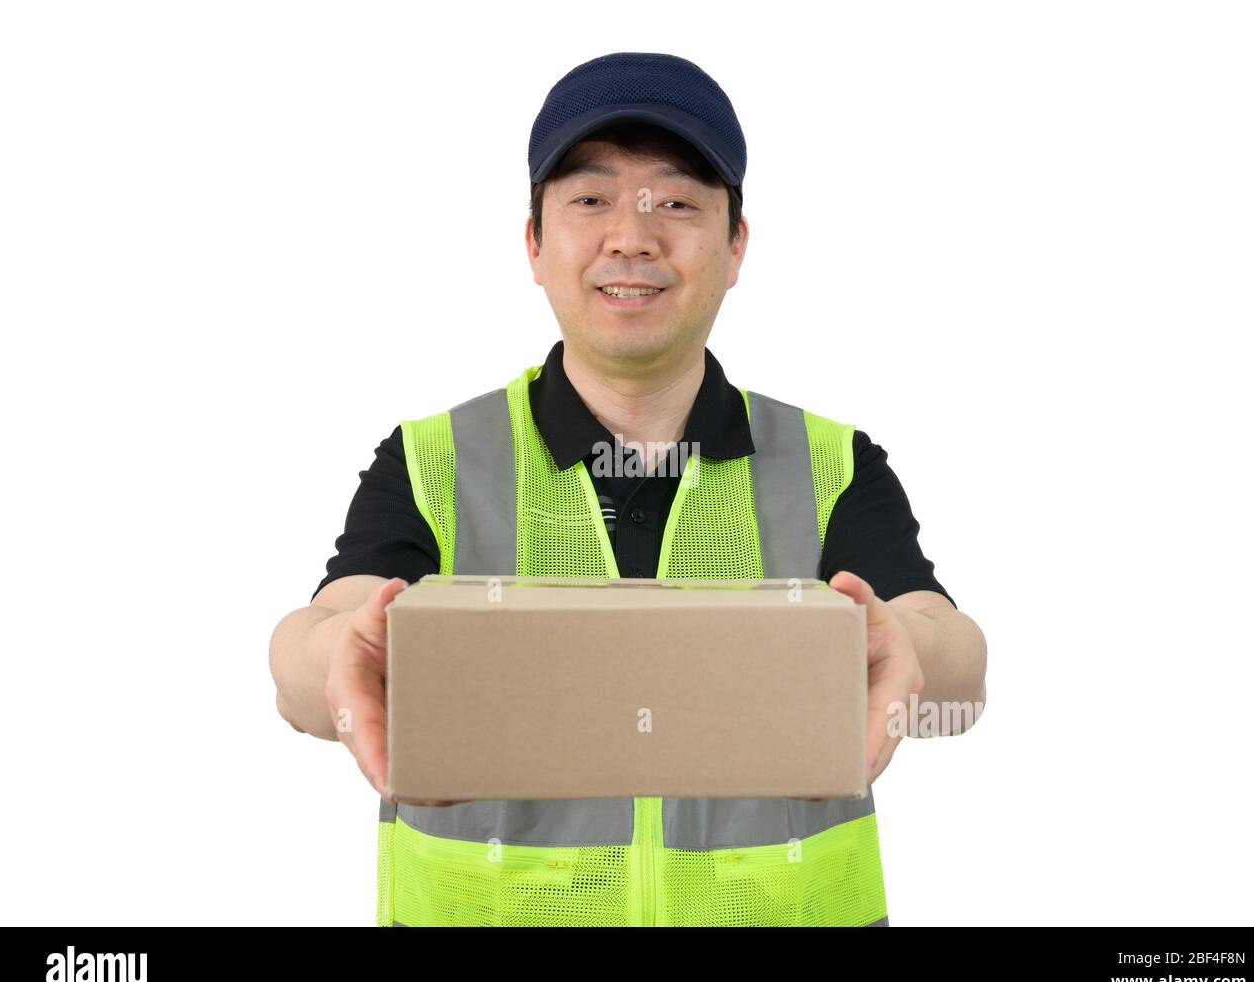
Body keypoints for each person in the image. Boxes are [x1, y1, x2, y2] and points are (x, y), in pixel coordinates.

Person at [269, 51, 987, 926]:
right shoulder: (436, 460)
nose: (632, 237)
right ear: (534, 242)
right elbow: (311, 657)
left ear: (736, 246)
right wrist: (336, 658)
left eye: (677, 202)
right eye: (590, 199)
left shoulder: (830, 462)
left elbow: (956, 658)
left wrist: (909, 656)